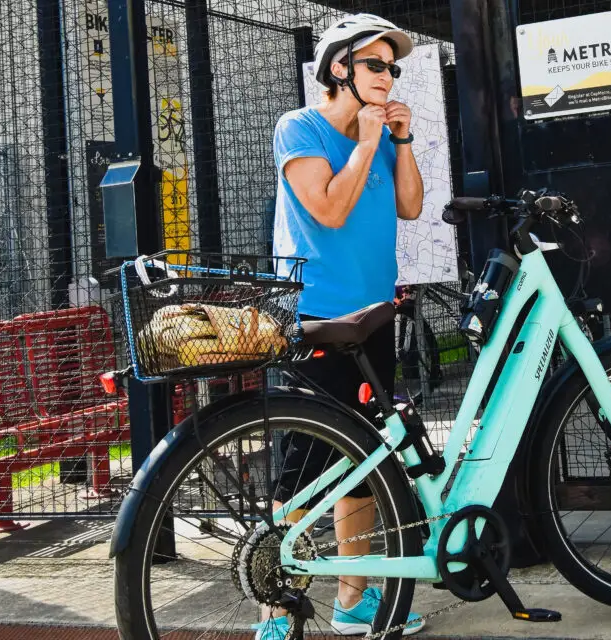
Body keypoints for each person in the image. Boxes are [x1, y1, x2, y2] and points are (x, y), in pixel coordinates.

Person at [255, 14, 425, 640]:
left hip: (373, 317)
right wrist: (365, 142)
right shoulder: (299, 127)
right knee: (302, 467)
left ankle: (353, 600)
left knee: (364, 462)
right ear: (338, 69)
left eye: (392, 67)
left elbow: (410, 205)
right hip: (316, 318)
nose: (387, 76)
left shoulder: (379, 135)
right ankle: (275, 611)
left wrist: (399, 141)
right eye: (375, 65)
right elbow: (325, 208)